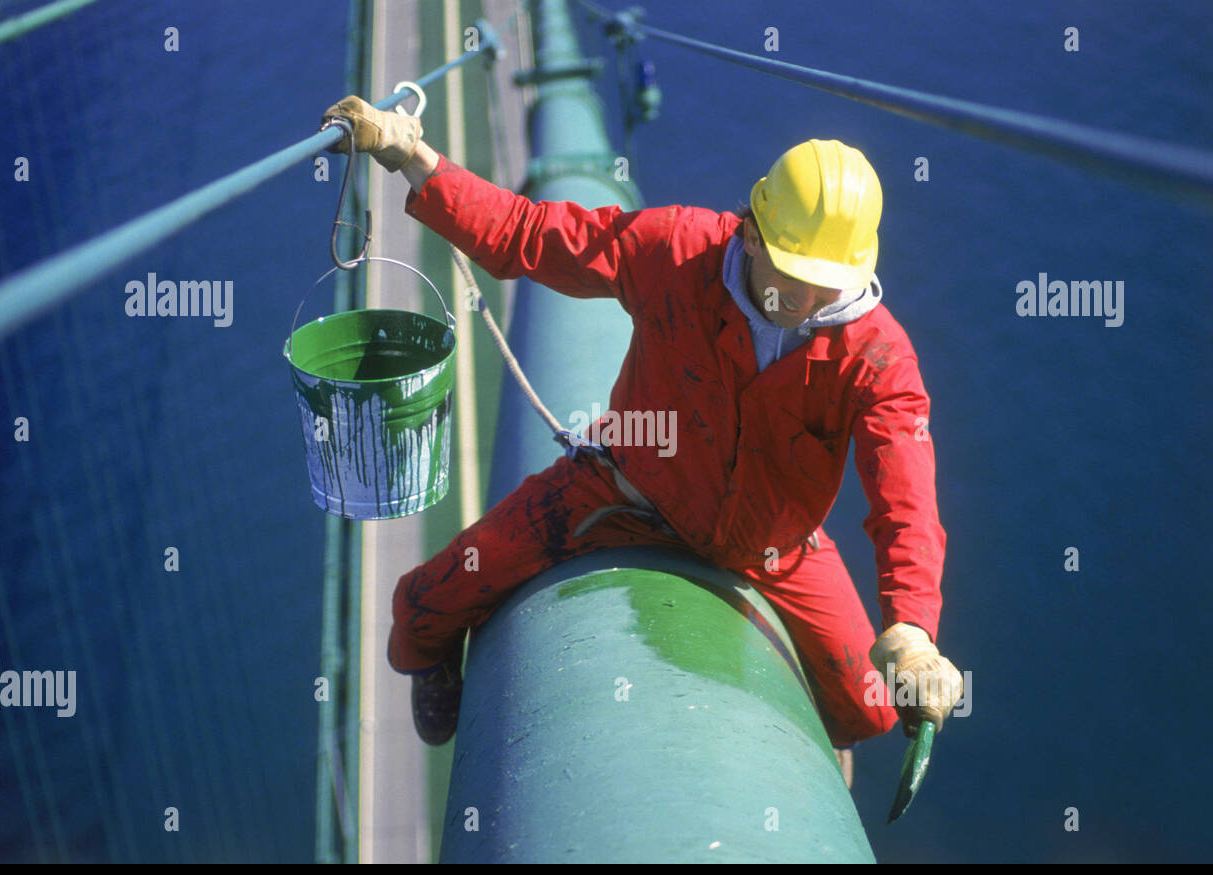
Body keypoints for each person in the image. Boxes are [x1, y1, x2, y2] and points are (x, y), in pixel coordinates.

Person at [320, 96, 964, 788]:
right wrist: (410, 156)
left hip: (773, 546)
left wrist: (913, 632)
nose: (809, 302)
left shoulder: (876, 353)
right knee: (420, 606)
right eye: (794, 277)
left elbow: (906, 499)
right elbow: (530, 235)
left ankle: (830, 733)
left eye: (827, 287)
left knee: (874, 707)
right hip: (626, 489)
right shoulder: (676, 251)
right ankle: (441, 660)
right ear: (750, 233)